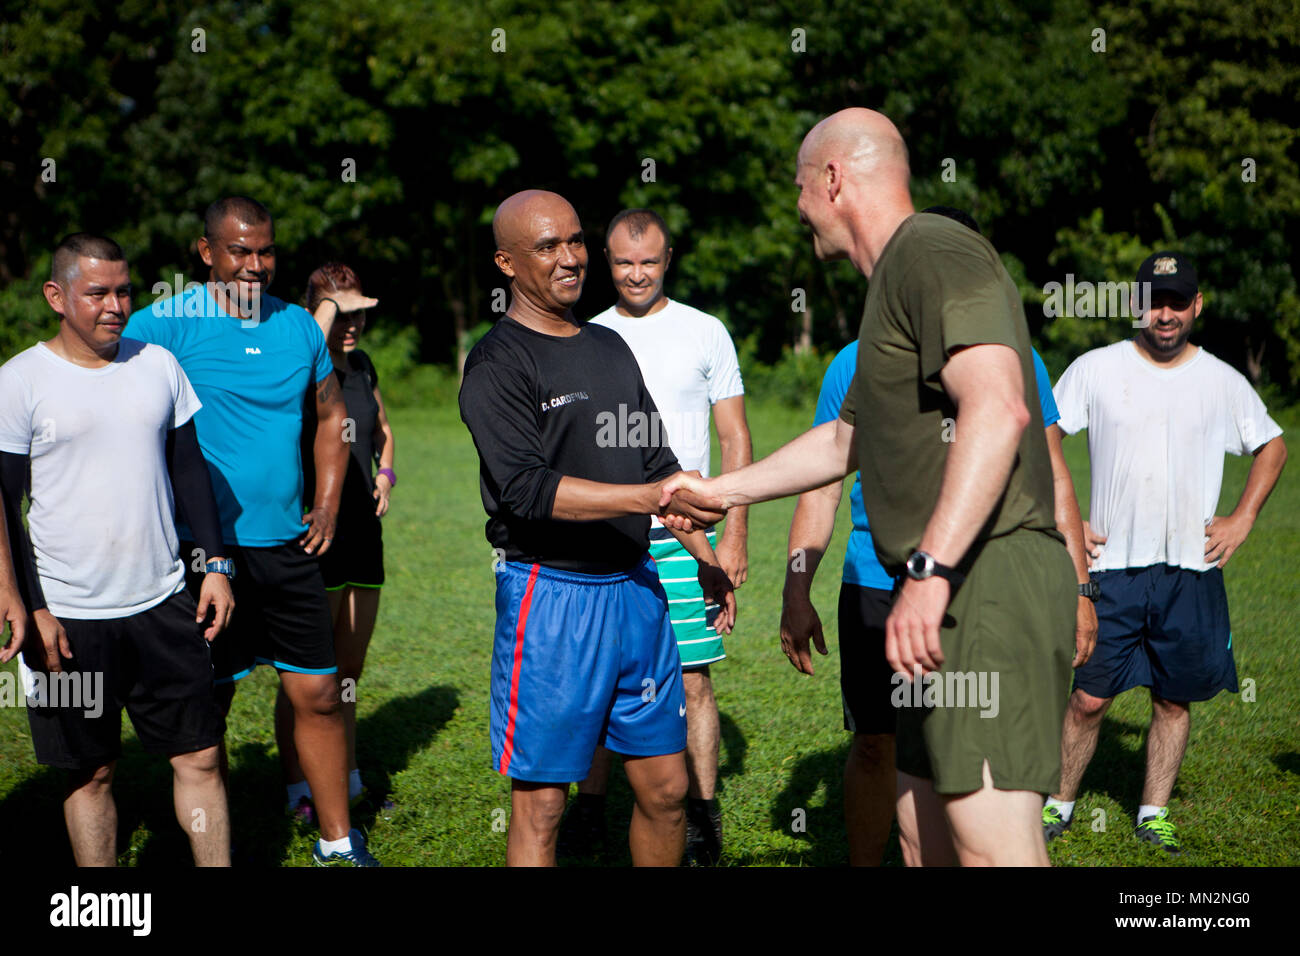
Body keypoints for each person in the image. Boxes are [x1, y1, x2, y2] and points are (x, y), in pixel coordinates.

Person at [663, 108, 1077, 866]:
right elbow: (845, 439)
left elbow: (998, 404)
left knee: (993, 848)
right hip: (936, 595)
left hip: (982, 587)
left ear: (833, 179)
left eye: (798, 187)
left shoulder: (932, 248)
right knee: (923, 835)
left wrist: (931, 570)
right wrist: (721, 490)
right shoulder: (891, 284)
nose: (796, 209)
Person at [780, 208, 1096, 866]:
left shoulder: (1011, 359)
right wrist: (795, 583)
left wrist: (1081, 586)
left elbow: (1052, 473)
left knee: (983, 806)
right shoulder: (858, 360)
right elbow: (828, 469)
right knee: (889, 755)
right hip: (878, 584)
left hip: (970, 587)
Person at [458, 189, 734, 866]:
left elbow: (661, 466)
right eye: (547, 246)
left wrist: (705, 556)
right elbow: (526, 490)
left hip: (638, 593)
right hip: (551, 600)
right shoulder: (497, 362)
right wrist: (643, 497)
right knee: (544, 803)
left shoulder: (609, 346)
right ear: (506, 263)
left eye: (576, 240)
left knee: (668, 790)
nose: (570, 257)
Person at [126, 198, 379, 865]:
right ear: (205, 253)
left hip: (287, 548)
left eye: (265, 251)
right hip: (202, 553)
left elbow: (329, 418)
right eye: (239, 251)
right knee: (209, 706)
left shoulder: (299, 328)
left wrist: (326, 502)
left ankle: (336, 841)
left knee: (319, 693)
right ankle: (210, 842)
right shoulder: (162, 325)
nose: (254, 265)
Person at [0, 233, 233, 866]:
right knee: (90, 771)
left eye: (124, 290)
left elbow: (191, 471)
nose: (115, 304)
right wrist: (30, 605)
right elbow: (4, 507)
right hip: (68, 616)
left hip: (163, 601)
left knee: (201, 755)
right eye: (96, 292)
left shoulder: (157, 364)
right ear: (57, 296)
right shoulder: (19, 382)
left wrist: (215, 565)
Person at [1044, 251, 1287, 854]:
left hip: (1190, 570)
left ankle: (1153, 812)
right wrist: (1066, 519)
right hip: (1110, 569)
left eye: (1178, 301)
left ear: (1197, 305)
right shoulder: (1095, 370)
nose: (1166, 313)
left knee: (1173, 699)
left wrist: (1243, 517)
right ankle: (1058, 804)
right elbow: (1042, 434)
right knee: (1089, 697)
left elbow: (1273, 446)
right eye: (1154, 300)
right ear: (1136, 306)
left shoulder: (1223, 381)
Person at [561, 207, 752, 865]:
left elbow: (735, 436)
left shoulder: (706, 332)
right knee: (598, 679)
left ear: (668, 259)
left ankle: (701, 817)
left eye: (648, 261)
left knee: (693, 680)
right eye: (622, 262)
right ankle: (589, 810)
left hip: (686, 540)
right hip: (605, 536)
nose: (636, 273)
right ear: (605, 263)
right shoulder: (584, 335)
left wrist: (735, 537)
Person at [275, 263, 389, 819]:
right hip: (313, 535)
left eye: (358, 311)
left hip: (364, 535)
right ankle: (298, 786)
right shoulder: (298, 369)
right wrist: (321, 320)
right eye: (339, 311)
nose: (352, 322)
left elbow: (384, 433)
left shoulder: (364, 367)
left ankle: (346, 776)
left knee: (347, 672)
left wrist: (386, 475)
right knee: (306, 675)